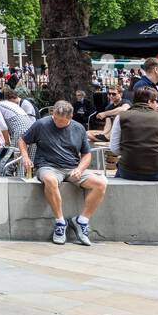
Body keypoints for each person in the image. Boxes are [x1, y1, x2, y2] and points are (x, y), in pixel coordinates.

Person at [18, 100, 106, 246]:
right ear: (53, 114)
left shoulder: (78, 128)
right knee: (51, 180)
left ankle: (81, 221)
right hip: (47, 166)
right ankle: (60, 222)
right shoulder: (42, 124)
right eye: (56, 119)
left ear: (70, 118)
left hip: (72, 167)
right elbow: (22, 140)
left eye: (62, 121)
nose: (58, 123)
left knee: (101, 183)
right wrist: (25, 157)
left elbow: (86, 154)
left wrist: (80, 169)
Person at [110, 86, 158, 182]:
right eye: (156, 101)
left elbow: (114, 148)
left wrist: (130, 152)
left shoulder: (121, 117)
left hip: (128, 171)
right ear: (149, 102)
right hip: (156, 173)